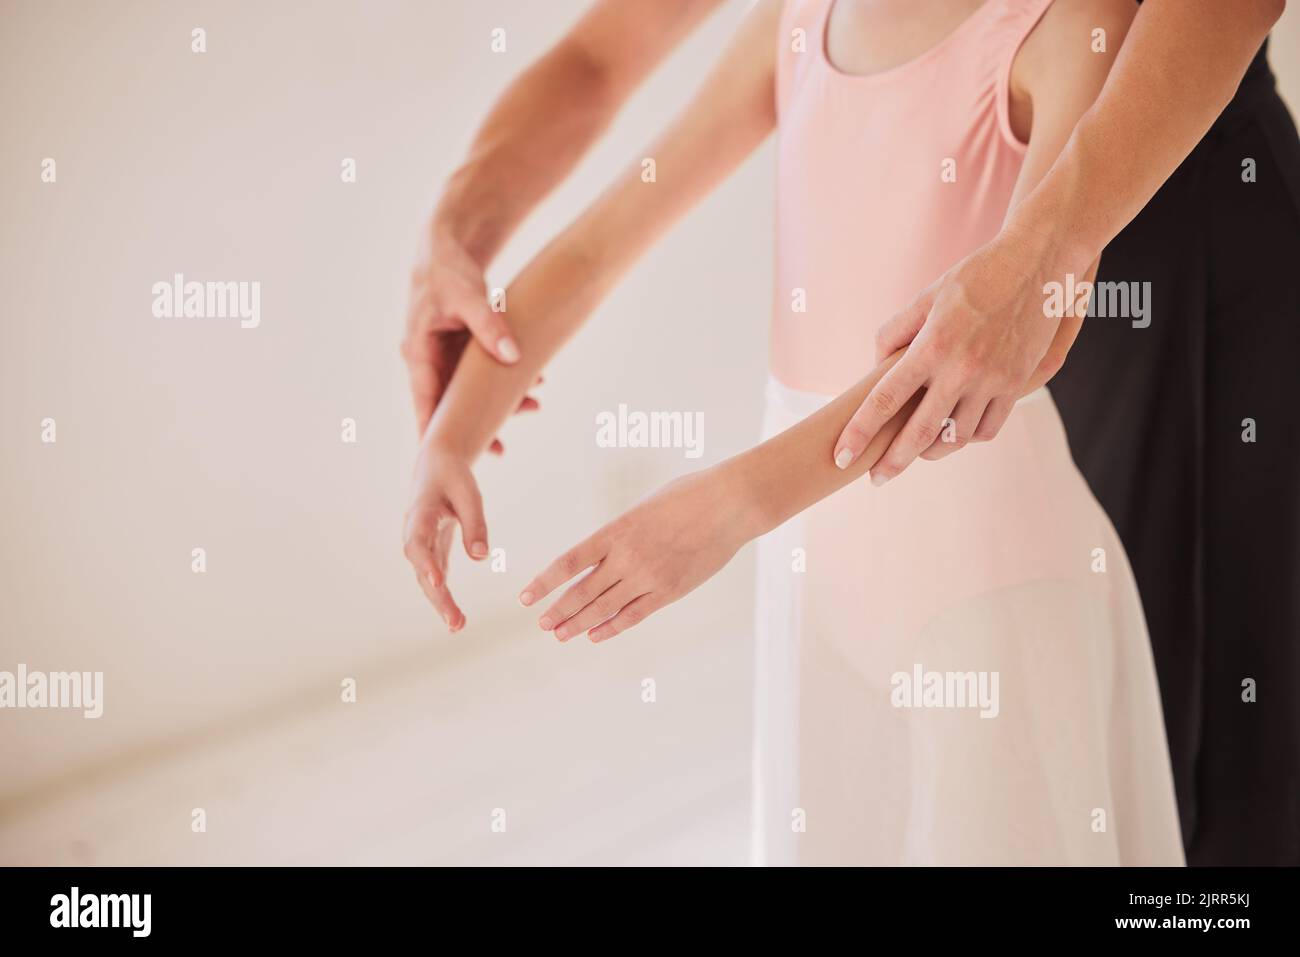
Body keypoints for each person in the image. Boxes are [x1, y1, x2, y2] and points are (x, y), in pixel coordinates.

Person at [403, 0, 1295, 864]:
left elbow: (971, 359)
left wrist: (731, 503)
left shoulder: (1062, 32)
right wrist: (451, 434)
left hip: (990, 587)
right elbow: (598, 242)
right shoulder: (795, 26)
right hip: (821, 576)